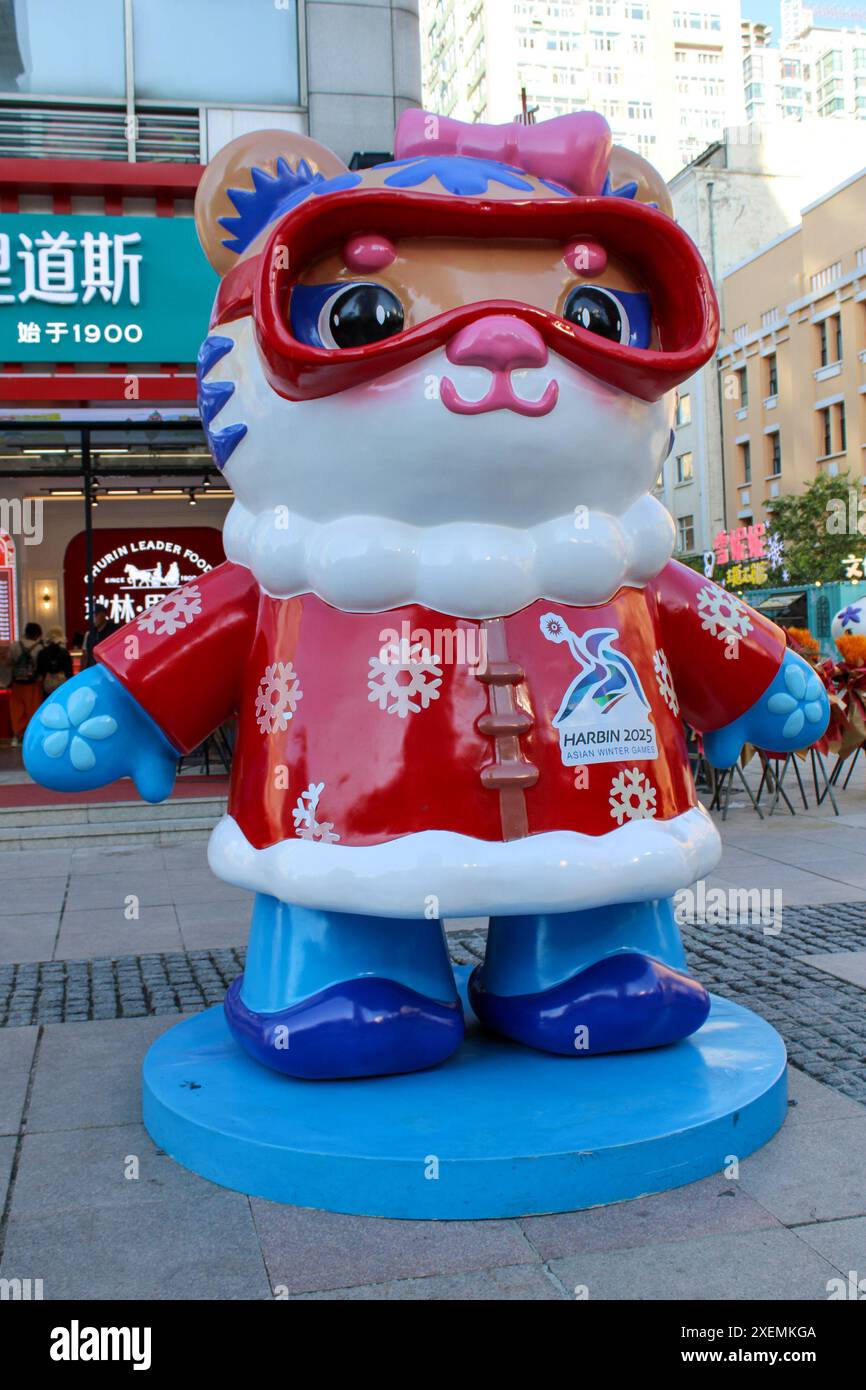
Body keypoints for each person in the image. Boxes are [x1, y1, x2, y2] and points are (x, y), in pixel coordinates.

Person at [8, 621, 45, 745]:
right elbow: (41, 666)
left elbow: (9, 662)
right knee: (33, 709)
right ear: (37, 634)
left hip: (17, 683)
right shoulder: (39, 647)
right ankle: (30, 736)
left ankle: (16, 735)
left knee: (17, 709)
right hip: (33, 683)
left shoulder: (14, 646)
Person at [37, 626, 73, 695]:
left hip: (47, 685)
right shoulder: (64, 652)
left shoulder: (42, 652)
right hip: (61, 683)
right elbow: (69, 672)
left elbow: (40, 673)